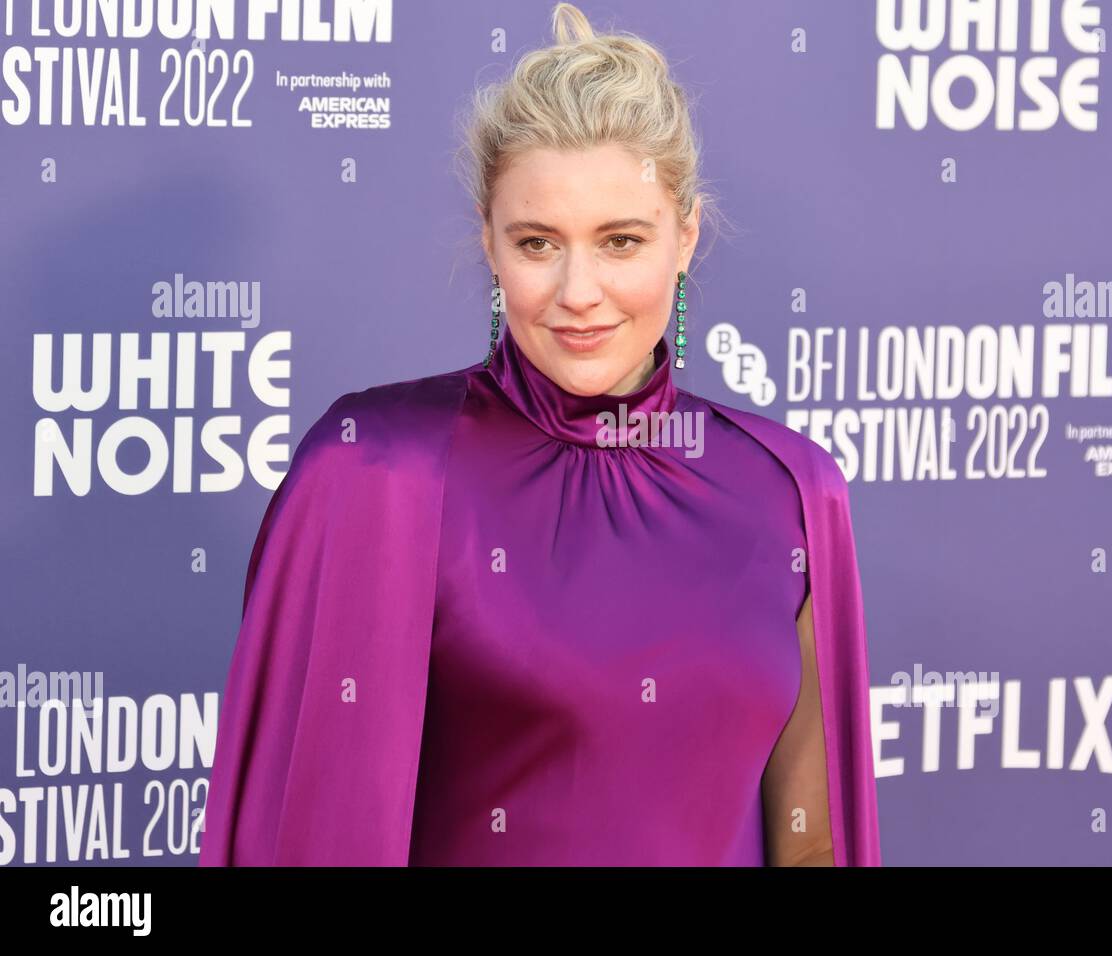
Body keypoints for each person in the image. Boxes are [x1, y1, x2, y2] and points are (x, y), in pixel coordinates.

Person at [199, 2, 880, 867]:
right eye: (537, 243)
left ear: (687, 235)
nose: (578, 290)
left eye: (621, 241)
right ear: (489, 241)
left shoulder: (791, 490)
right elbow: (307, 837)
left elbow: (812, 843)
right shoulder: (378, 470)